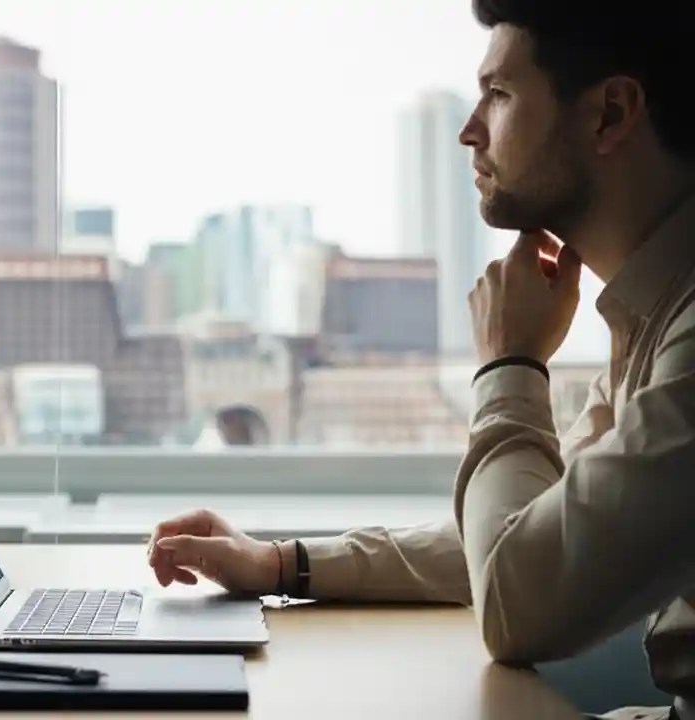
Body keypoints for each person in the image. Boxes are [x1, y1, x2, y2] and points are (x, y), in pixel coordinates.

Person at [146, 2, 695, 718]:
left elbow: (520, 602)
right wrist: (281, 564)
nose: (471, 130)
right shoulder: (653, 316)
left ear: (610, 113)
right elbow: (542, 535)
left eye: (499, 95)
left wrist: (510, 365)